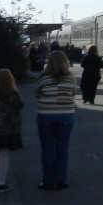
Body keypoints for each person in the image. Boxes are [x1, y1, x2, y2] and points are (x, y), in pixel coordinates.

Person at [35, 50, 78, 190]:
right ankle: (61, 180)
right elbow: (73, 94)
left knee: (47, 149)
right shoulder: (71, 78)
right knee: (62, 149)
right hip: (66, 116)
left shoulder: (43, 78)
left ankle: (47, 181)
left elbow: (37, 94)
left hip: (45, 115)